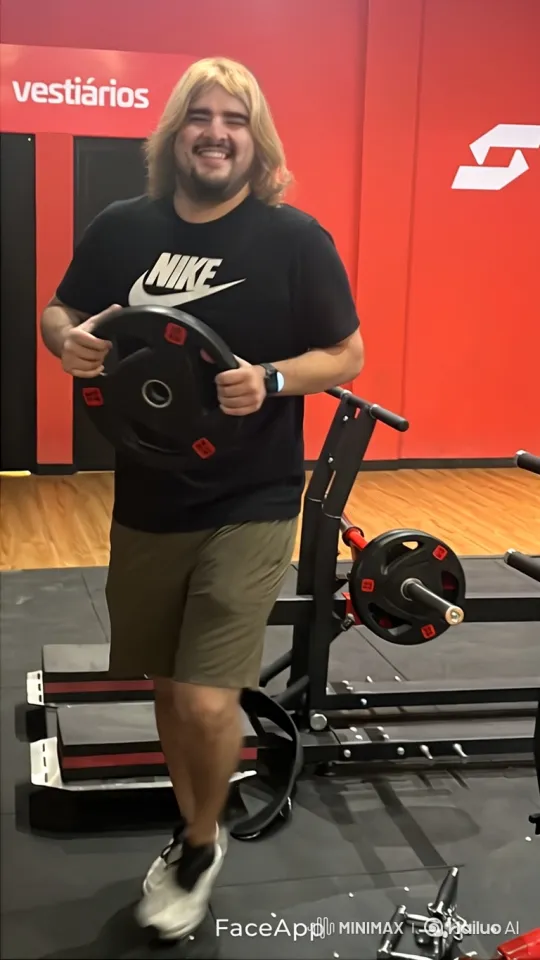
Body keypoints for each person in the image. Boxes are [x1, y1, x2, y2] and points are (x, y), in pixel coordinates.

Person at [40, 57, 364, 940]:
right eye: (198, 117)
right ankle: (195, 825)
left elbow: (346, 354)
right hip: (147, 494)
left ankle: (195, 840)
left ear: (256, 140)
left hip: (250, 495)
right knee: (166, 687)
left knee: (209, 696)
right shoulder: (121, 227)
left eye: (233, 119)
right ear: (174, 133)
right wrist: (68, 341)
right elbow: (60, 312)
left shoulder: (294, 239)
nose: (215, 133)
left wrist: (269, 377)